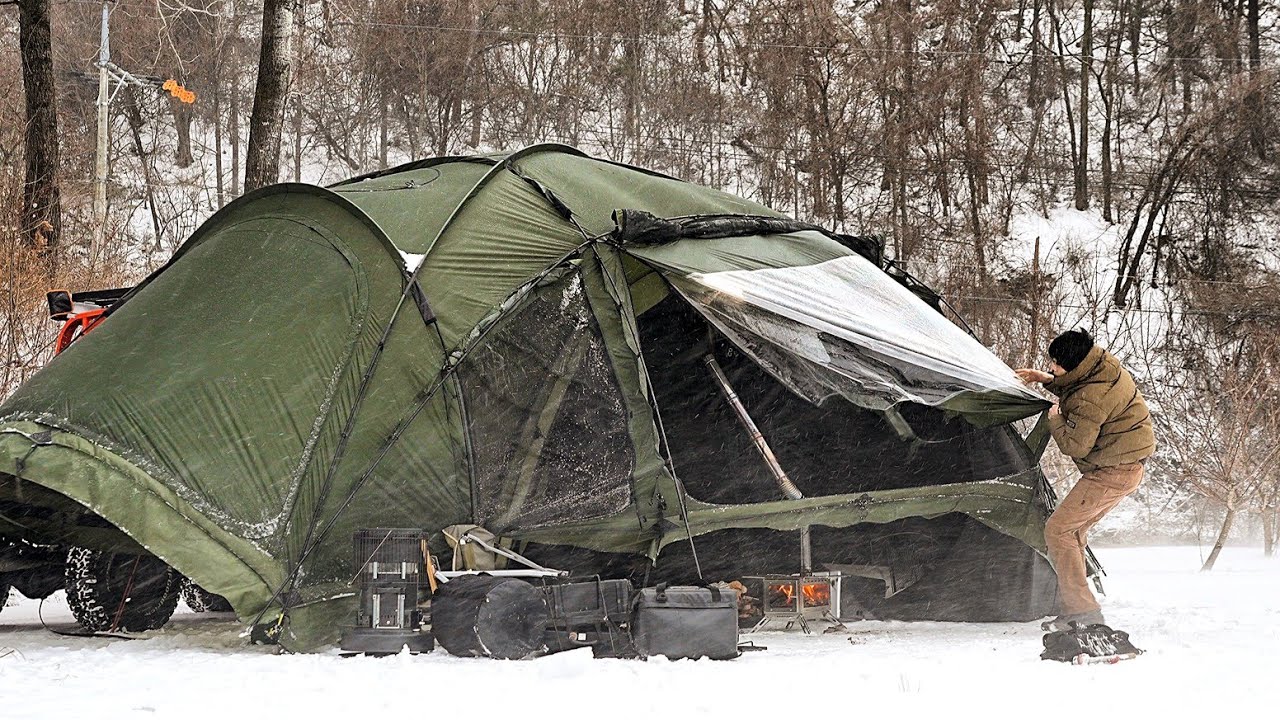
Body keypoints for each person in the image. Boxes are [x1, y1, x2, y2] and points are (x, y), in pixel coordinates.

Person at [1015, 329, 1156, 630]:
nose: (1052, 367)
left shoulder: (1091, 396)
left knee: (1058, 530)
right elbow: (1078, 385)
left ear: (1074, 362)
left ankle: (1082, 612)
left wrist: (1055, 419)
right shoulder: (1101, 367)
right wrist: (1046, 380)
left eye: (1055, 364)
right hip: (1125, 466)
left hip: (1113, 471)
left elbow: (1074, 445)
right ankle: (1078, 608)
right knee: (1072, 531)